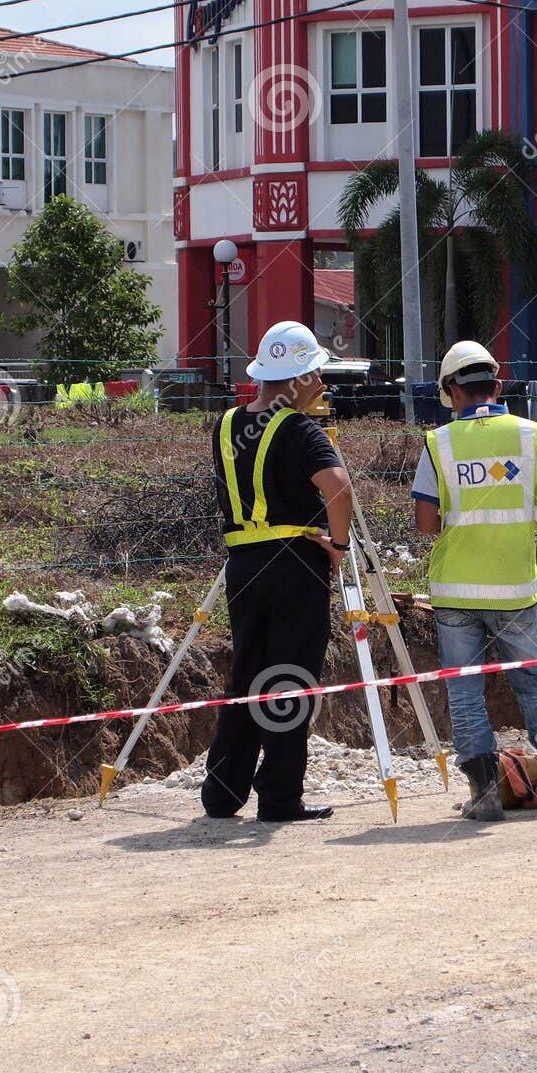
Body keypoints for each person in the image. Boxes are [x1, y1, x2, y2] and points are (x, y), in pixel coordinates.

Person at [412, 341, 537, 820]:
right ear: (498, 386)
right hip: (514, 588)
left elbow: (425, 523)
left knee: (465, 693)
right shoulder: (533, 436)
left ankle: (485, 798)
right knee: (534, 684)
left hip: (456, 591)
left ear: (451, 392)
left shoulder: (438, 443)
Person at [201, 320, 354, 823]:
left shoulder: (227, 424)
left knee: (247, 673)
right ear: (302, 379)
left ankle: (222, 791)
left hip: (243, 563)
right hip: (294, 562)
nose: (323, 386)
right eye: (317, 375)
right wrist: (337, 545)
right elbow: (338, 488)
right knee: (288, 678)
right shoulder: (299, 427)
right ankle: (281, 797)